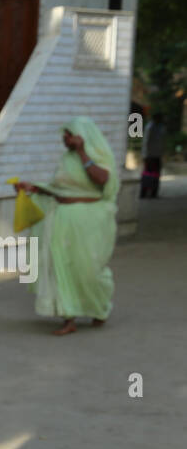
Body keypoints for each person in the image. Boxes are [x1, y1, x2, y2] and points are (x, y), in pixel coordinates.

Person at [13, 116, 118, 335]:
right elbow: (58, 188)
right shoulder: (65, 160)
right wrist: (33, 188)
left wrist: (82, 153)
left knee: (89, 269)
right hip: (62, 219)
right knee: (60, 265)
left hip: (90, 220)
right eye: (65, 135)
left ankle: (99, 308)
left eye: (70, 134)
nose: (65, 138)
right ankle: (68, 317)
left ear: (82, 136)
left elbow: (101, 180)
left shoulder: (98, 156)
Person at [140, 110, 165, 199]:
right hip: (149, 156)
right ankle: (144, 193)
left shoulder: (160, 127)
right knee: (147, 174)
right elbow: (146, 142)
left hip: (157, 155)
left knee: (156, 174)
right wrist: (145, 156)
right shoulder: (150, 127)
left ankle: (153, 193)